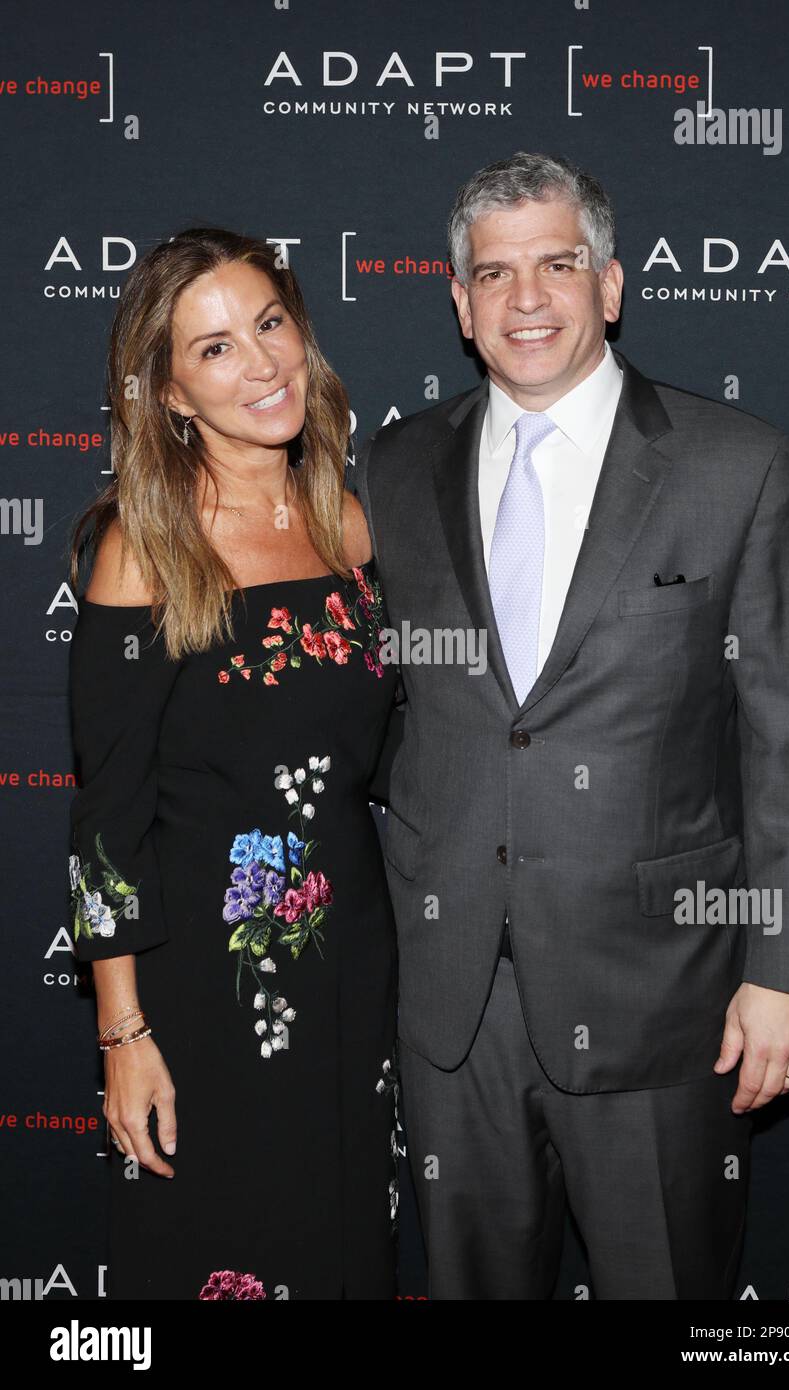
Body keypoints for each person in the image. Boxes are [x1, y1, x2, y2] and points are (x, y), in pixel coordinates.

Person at [348, 152, 789, 1299]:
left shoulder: (737, 466)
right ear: (459, 301)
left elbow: (787, 745)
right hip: (451, 1003)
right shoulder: (391, 466)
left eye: (557, 265)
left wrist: (786, 970)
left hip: (660, 1000)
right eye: (496, 273)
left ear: (610, 285)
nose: (528, 298)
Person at [68, 227, 400, 1300]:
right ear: (169, 394)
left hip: (353, 970)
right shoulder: (142, 549)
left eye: (267, 324)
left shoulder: (346, 524)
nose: (259, 364)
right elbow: (105, 823)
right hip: (205, 992)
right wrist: (124, 1032)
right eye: (213, 349)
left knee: (343, 1246)